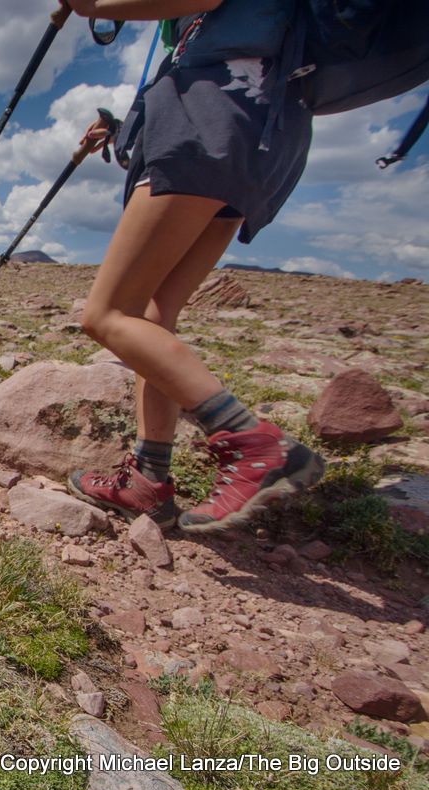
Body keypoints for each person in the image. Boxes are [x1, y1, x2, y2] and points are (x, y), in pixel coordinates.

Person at [64, 0, 325, 534]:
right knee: (155, 316)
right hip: (259, 131)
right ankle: (148, 478)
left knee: (108, 313)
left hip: (208, 123)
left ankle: (254, 444)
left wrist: (90, 6)